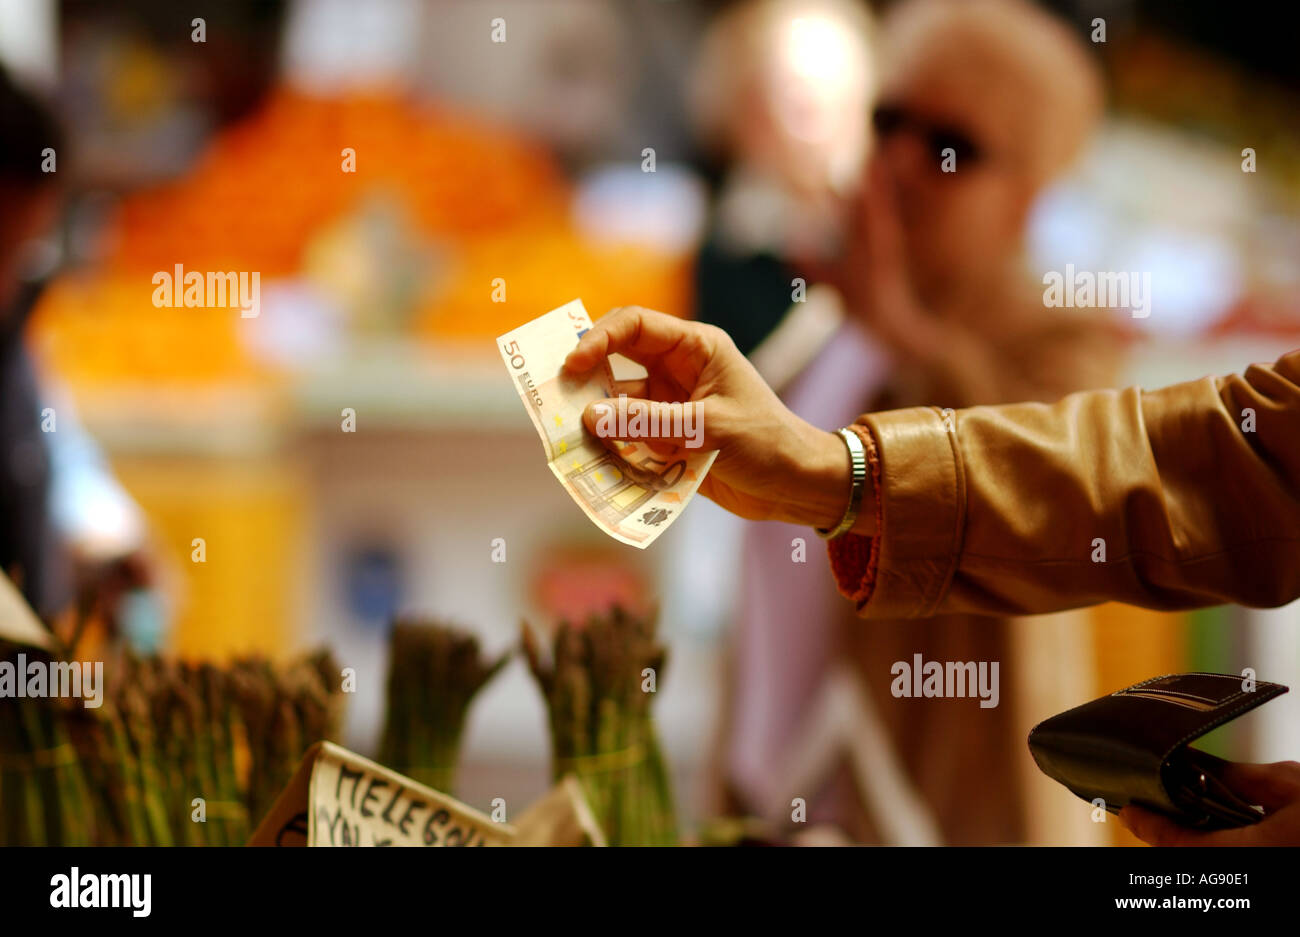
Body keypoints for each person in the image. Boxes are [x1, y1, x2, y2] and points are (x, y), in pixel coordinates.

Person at [563, 304, 1300, 846]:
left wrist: (902, 333)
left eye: (949, 143)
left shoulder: (1054, 324)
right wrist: (837, 474)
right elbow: (1237, 459)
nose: (906, 163)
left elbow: (1207, 469)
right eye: (888, 129)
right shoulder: (825, 326)